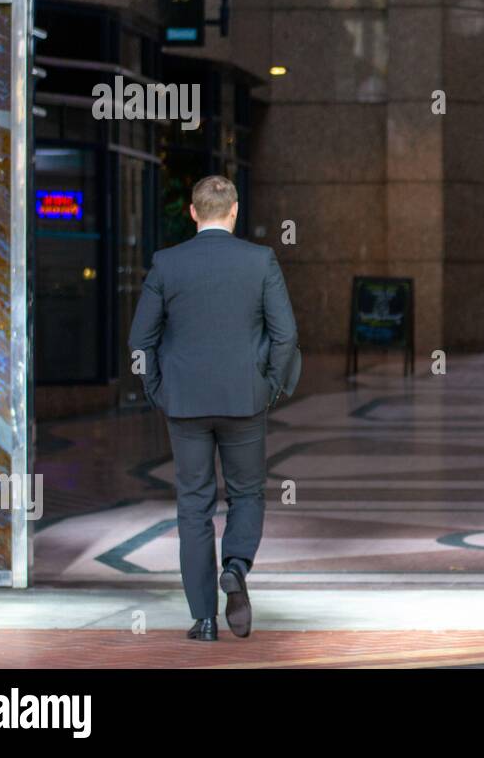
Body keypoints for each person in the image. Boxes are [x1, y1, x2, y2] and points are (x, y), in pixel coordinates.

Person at [128, 175, 299, 642]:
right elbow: (285, 335)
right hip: (245, 400)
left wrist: (159, 390)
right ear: (235, 211)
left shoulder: (167, 263)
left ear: (192, 212)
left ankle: (203, 619)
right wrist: (269, 386)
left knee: (193, 506)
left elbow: (139, 340)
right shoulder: (260, 260)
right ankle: (237, 566)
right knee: (246, 494)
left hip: (185, 404)